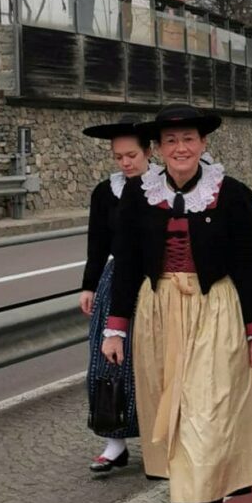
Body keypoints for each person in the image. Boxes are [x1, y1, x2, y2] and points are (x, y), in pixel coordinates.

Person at [102, 104, 252, 503]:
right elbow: (128, 261)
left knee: (207, 419)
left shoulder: (231, 195)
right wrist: (116, 327)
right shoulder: (138, 196)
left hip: (215, 310)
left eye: (189, 138)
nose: (181, 148)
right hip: (159, 313)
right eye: (171, 140)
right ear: (158, 148)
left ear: (203, 144)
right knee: (176, 424)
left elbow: (248, 266)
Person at [80, 119, 152, 473]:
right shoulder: (105, 193)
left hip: (155, 281)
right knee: (107, 360)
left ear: (149, 152)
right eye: (118, 156)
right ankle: (115, 442)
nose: (125, 162)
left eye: (132, 155)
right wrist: (89, 285)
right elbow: (96, 243)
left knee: (154, 362)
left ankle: (160, 441)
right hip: (114, 279)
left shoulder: (164, 188)